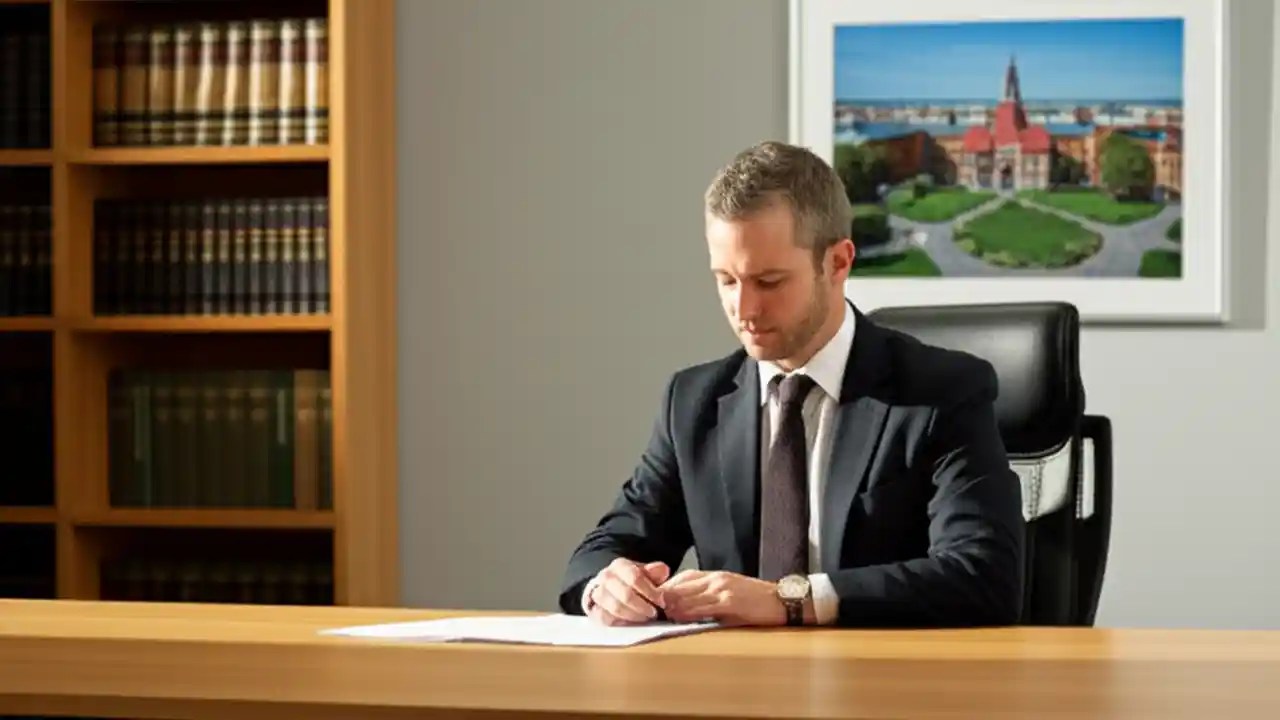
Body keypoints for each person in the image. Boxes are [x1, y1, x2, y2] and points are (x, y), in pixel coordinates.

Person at [558, 140, 1025, 628]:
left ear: (839, 263)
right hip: (733, 692)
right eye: (727, 280)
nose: (744, 310)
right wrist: (607, 585)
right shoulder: (693, 402)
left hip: (883, 689)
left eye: (770, 281)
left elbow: (984, 576)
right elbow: (603, 550)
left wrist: (790, 600)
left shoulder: (943, 392)